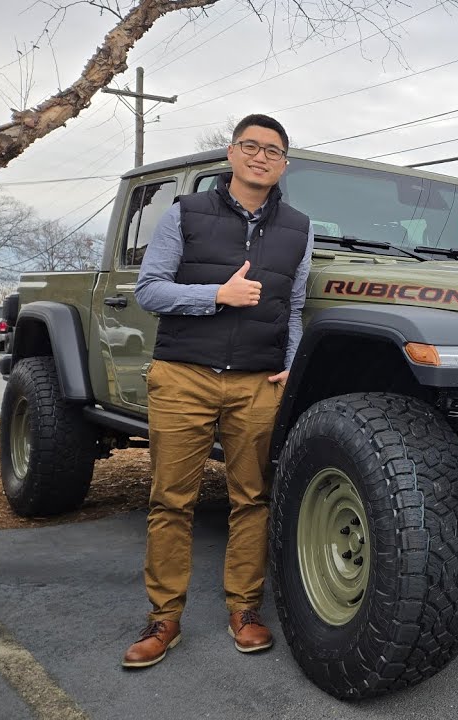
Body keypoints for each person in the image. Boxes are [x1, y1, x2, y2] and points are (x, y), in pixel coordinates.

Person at [122, 114, 313, 668]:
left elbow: (295, 308)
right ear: (230, 154)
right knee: (170, 500)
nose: (260, 157)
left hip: (257, 384)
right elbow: (151, 291)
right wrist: (218, 295)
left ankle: (245, 611)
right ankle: (163, 620)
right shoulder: (186, 213)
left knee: (251, 499)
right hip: (184, 376)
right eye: (249, 146)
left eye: (272, 150)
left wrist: (293, 362)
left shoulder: (300, 227)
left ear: (283, 164)